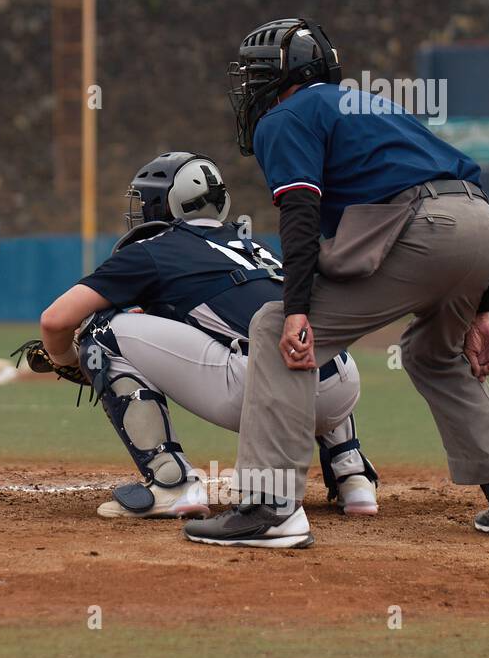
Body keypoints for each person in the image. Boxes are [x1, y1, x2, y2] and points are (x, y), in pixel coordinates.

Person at [184, 18, 489, 549]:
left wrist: (297, 309)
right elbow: (458, 185)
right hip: (484, 229)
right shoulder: (367, 103)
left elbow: (301, 212)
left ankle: (270, 507)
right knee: (433, 353)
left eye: (256, 73)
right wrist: (479, 312)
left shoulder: (287, 115)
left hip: (421, 231)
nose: (249, 86)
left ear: (283, 75)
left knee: (271, 326)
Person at [23, 153, 378, 528]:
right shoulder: (253, 247)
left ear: (167, 204)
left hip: (263, 399)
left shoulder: (154, 249)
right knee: (296, 336)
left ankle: (171, 481)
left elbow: (55, 319)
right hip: (341, 384)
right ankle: (353, 476)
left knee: (100, 330)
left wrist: (64, 359)